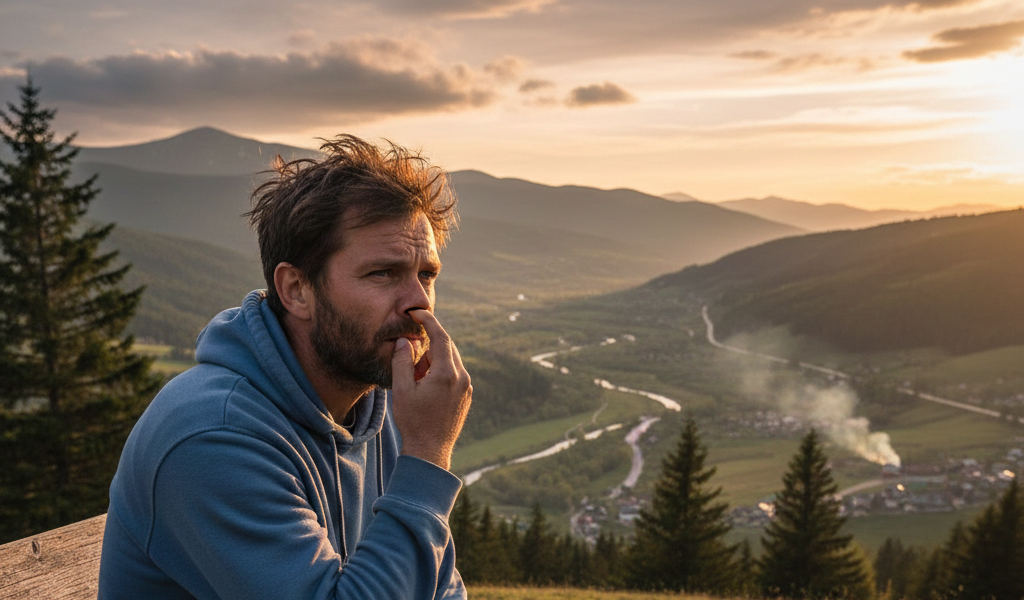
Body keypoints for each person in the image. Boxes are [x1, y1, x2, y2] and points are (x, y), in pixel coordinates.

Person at [97, 135, 473, 600]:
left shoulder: (380, 406)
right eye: (383, 273)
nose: (419, 301)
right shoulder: (213, 437)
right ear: (297, 289)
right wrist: (426, 455)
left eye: (427, 275)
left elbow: (437, 586)